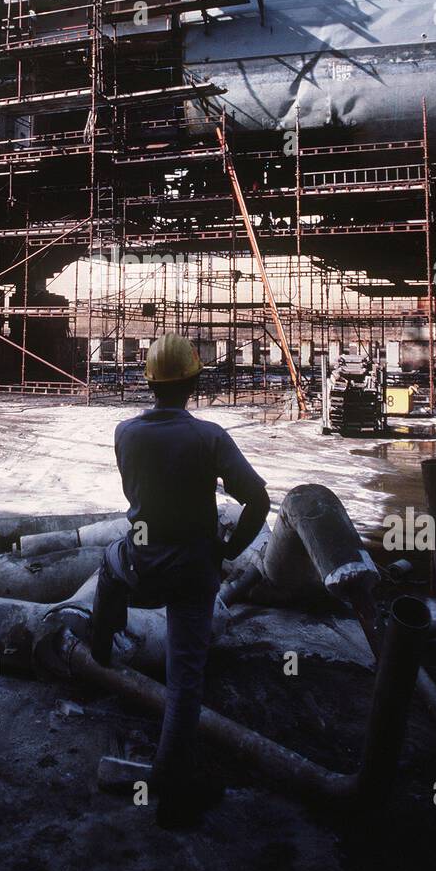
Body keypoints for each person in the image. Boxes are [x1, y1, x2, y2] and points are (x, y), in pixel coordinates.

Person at [89, 333, 270, 829]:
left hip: (143, 561)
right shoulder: (210, 437)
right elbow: (258, 500)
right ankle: (174, 786)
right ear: (194, 381)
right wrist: (229, 551)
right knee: (185, 677)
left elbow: (140, 491)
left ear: (148, 382)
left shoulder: (125, 432)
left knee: (109, 562)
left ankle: (100, 649)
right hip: (195, 568)